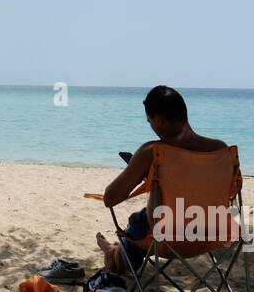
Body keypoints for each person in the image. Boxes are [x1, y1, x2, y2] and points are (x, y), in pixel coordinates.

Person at [96, 86, 226, 275]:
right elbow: (231, 190)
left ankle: (113, 253)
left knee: (138, 223)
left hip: (167, 239)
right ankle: (115, 249)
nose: (151, 125)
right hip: (212, 233)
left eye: (149, 121)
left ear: (158, 119)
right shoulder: (220, 149)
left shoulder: (152, 152)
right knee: (145, 223)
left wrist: (137, 169)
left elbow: (110, 198)